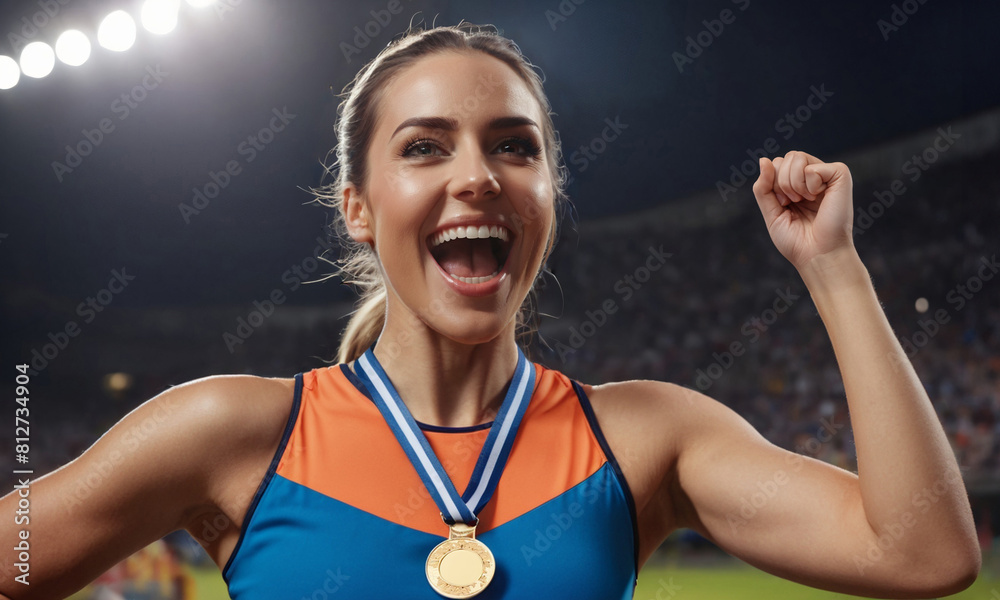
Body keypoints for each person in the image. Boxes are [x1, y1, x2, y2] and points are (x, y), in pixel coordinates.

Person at [0, 21, 981, 600]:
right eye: (424, 147)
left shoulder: (646, 437)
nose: (477, 175)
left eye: (515, 146)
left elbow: (922, 553)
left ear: (549, 193)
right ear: (357, 209)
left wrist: (833, 268)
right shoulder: (230, 431)